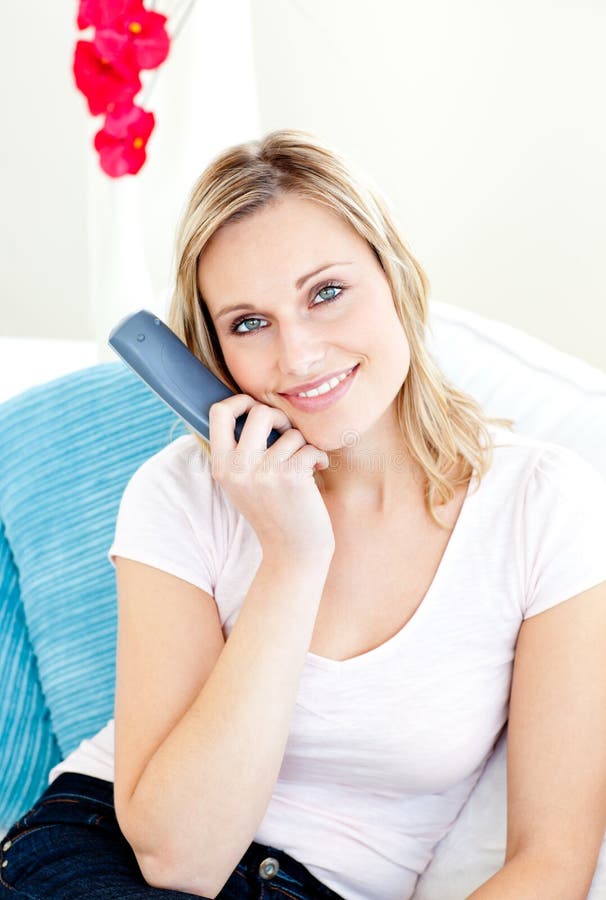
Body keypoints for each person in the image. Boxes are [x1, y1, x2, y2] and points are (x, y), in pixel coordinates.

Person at [1, 129, 605, 900]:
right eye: (249, 323)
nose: (299, 356)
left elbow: (552, 861)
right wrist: (291, 560)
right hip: (109, 856)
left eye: (326, 293)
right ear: (213, 355)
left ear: (396, 277)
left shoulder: (544, 508)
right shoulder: (179, 494)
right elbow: (179, 859)